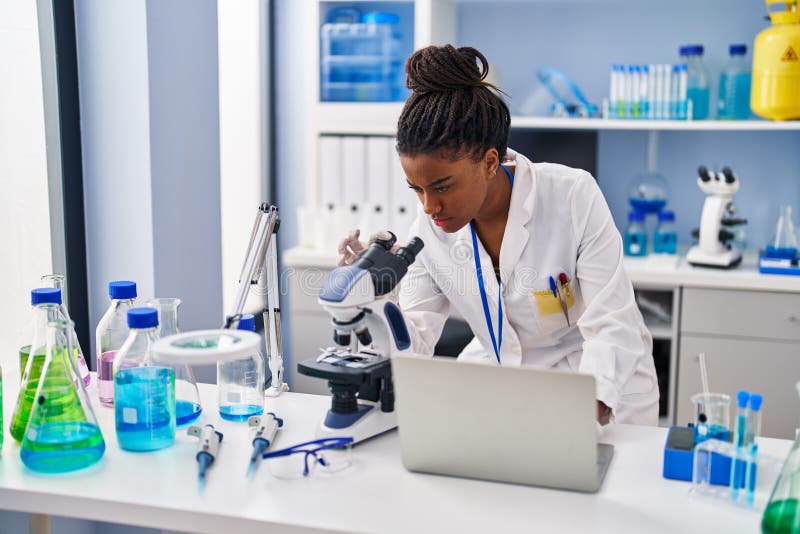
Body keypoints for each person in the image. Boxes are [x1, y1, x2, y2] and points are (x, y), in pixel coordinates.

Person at [339, 45, 658, 425]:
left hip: (595, 387)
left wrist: (583, 416)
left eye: (442, 187)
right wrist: (372, 298)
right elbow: (415, 341)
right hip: (502, 383)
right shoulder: (429, 231)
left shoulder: (572, 195)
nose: (428, 207)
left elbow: (612, 325)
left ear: (490, 162)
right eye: (417, 190)